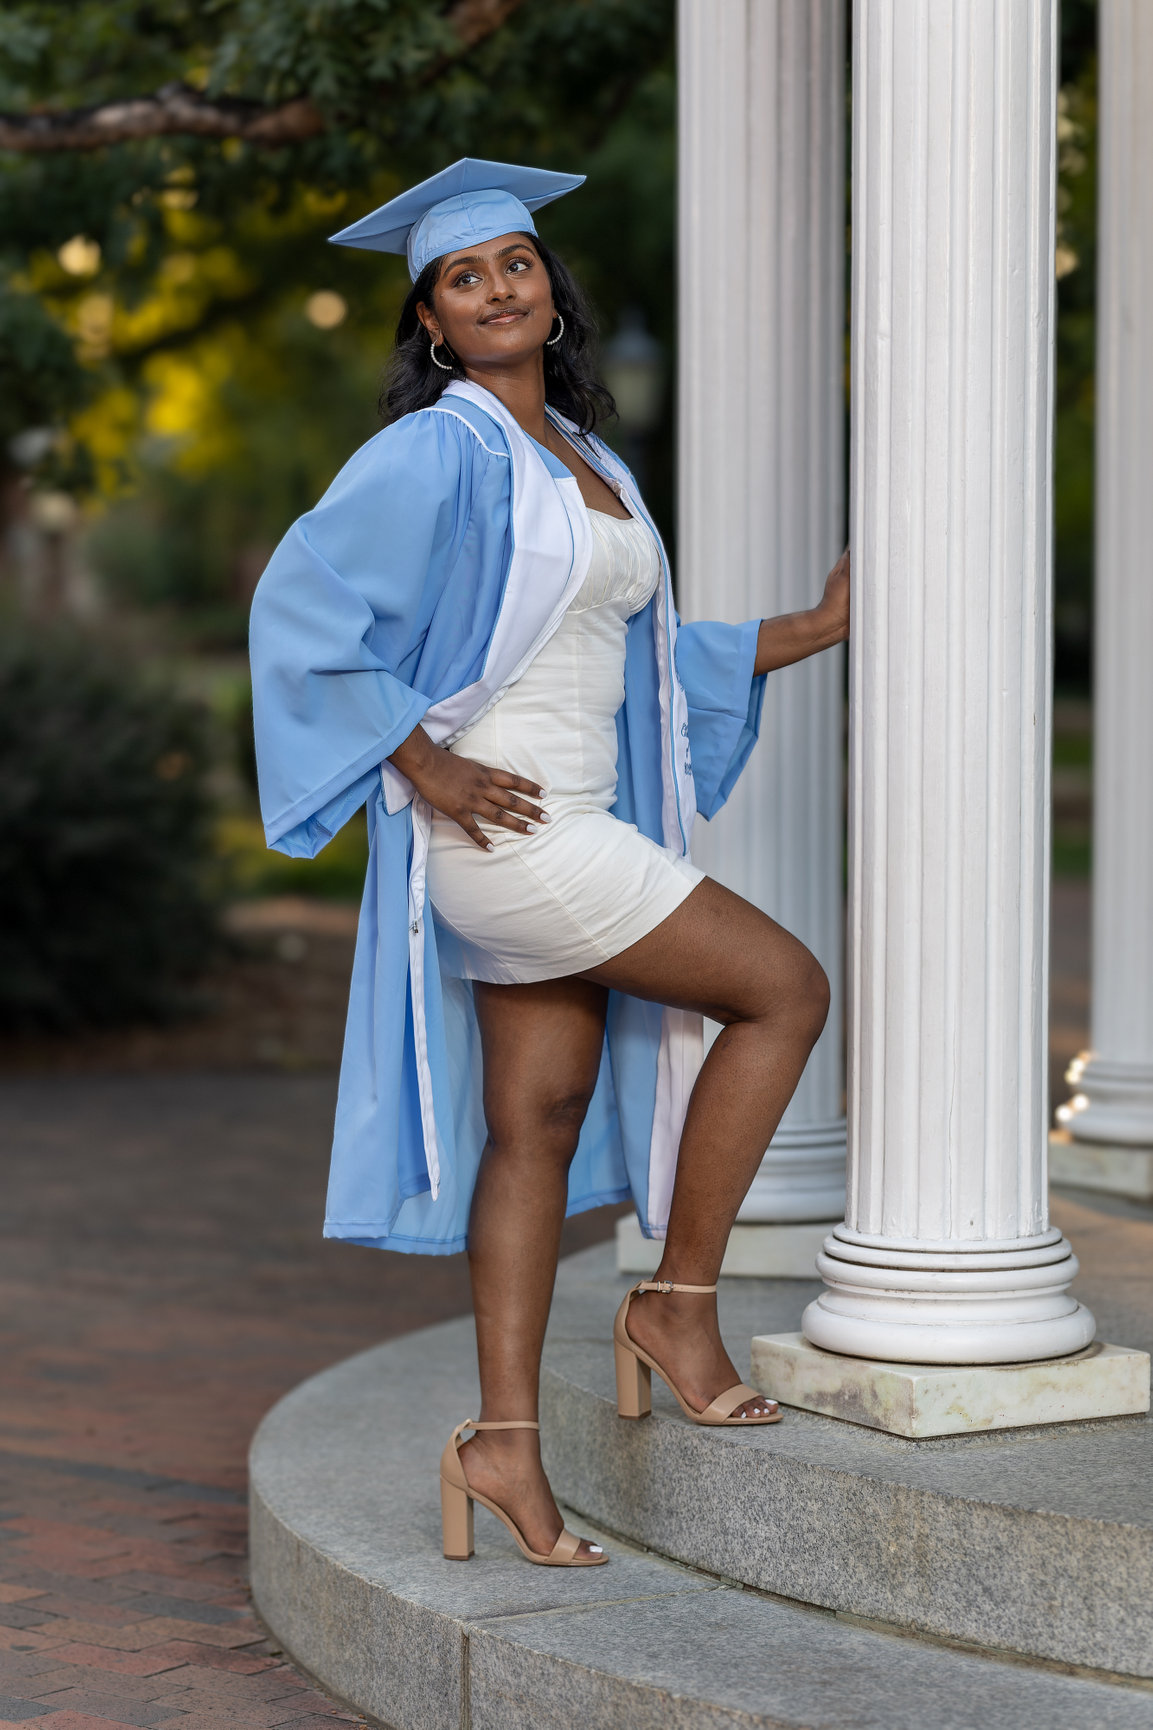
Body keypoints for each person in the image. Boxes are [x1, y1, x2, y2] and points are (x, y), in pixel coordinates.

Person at [250, 158, 849, 1572]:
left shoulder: (588, 458)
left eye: (515, 264)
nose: (498, 288)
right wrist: (422, 755)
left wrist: (804, 632)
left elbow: (636, 653)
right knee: (784, 988)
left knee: (537, 1117)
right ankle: (677, 1301)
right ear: (432, 324)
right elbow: (303, 604)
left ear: (548, 292)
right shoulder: (435, 452)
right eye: (464, 278)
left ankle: (501, 1449)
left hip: (569, 818)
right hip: (512, 831)